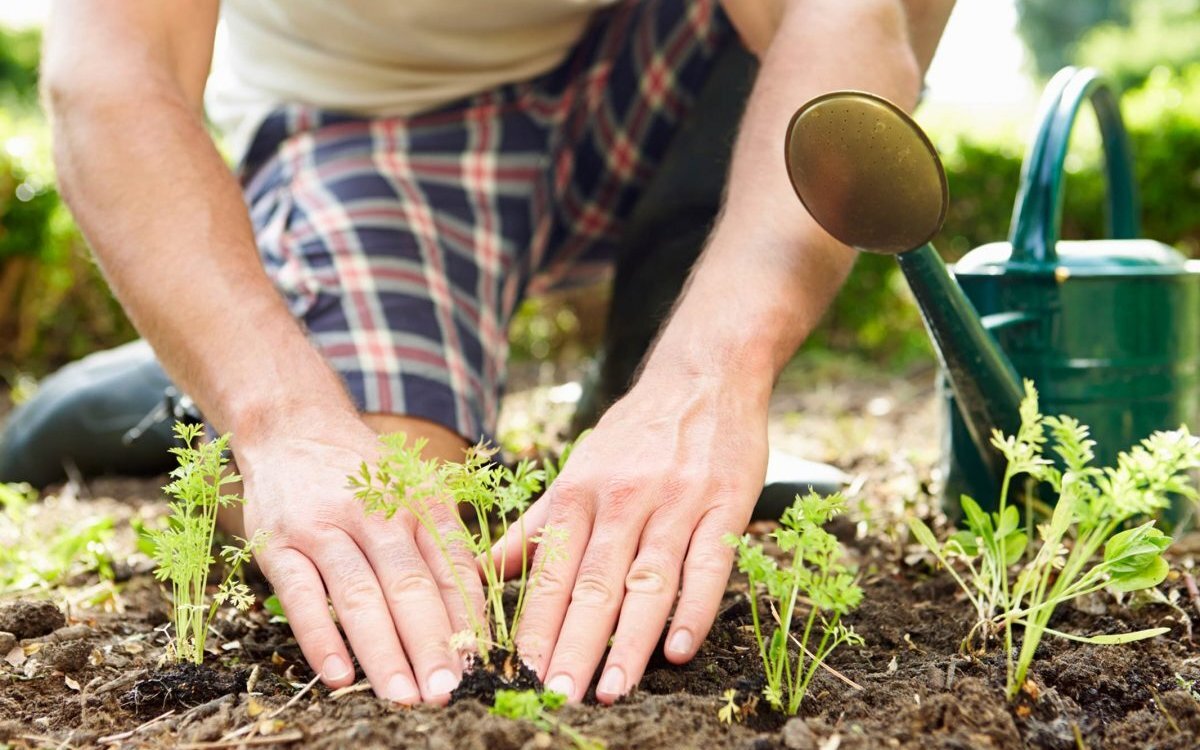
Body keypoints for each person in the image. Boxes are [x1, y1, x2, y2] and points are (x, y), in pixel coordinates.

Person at [35, 0, 951, 708]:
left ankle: (643, 378)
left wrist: (708, 378)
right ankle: (214, 357)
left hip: (653, 64)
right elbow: (112, 77)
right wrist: (281, 418)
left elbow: (846, 22)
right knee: (392, 502)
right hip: (380, 115)